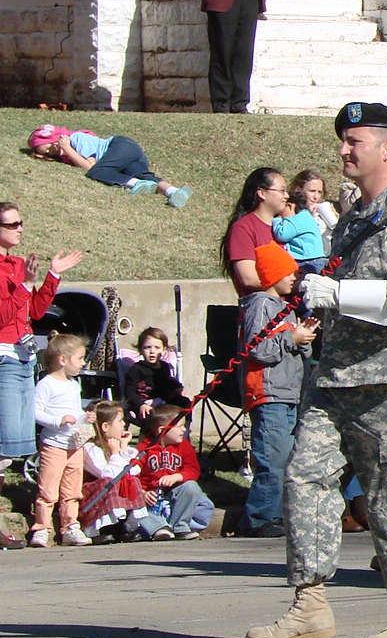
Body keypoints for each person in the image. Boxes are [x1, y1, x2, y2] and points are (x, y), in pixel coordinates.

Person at [245, 102, 387, 638]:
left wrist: (335, 294)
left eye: (353, 140)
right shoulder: (355, 219)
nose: (342, 150)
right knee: (304, 480)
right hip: (334, 377)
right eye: (341, 140)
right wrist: (315, 299)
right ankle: (309, 604)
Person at [237, 242, 317, 539]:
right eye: (291, 273)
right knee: (272, 458)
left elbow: (291, 346)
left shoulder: (285, 308)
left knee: (285, 457)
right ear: (273, 275)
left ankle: (274, 513)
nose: (296, 279)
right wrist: (291, 339)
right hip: (269, 393)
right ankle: (259, 517)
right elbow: (257, 348)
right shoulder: (261, 305)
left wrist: (302, 338)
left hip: (288, 392)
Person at [1, 202, 80, 489]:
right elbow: (1, 317)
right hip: (4, 356)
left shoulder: (18, 265)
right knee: (5, 442)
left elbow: (34, 311)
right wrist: (25, 286)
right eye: (11, 224)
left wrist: (52, 276)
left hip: (24, 357)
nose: (19, 228)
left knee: (12, 445)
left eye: (20, 222)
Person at [26, 126, 192, 208]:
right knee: (144, 174)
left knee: (96, 172)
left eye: (50, 146)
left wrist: (68, 149)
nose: (52, 152)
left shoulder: (76, 139)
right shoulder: (67, 152)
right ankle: (174, 192)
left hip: (121, 146)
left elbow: (89, 166)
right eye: (48, 153)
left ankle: (135, 184)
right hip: (125, 154)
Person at [30, 333, 92, 548]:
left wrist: (86, 417)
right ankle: (42, 527)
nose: (84, 363)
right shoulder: (46, 384)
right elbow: (35, 411)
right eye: (80, 358)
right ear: (62, 360)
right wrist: (58, 420)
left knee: (72, 488)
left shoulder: (74, 385)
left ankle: (70, 526)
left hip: (74, 445)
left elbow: (76, 412)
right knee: (48, 489)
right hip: (54, 445)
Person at [80, 401, 171, 542]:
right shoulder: (91, 449)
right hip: (97, 497)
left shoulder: (120, 447)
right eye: (120, 421)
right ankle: (103, 529)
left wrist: (123, 448)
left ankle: (124, 526)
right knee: (110, 482)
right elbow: (108, 475)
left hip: (116, 493)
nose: (124, 425)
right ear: (105, 427)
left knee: (131, 480)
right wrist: (115, 454)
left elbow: (134, 470)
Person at [136, 405, 214, 540]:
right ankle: (159, 527)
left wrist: (177, 476)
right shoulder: (143, 449)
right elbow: (131, 476)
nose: (184, 430)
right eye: (180, 426)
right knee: (135, 512)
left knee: (199, 497)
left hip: (177, 499)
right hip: (152, 502)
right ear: (162, 430)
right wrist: (142, 493)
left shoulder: (184, 446)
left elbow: (193, 470)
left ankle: (179, 527)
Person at [222, 167, 287, 296]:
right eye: (281, 191)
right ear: (262, 193)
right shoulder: (243, 228)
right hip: (264, 309)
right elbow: (248, 278)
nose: (287, 196)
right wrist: (285, 285)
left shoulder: (285, 227)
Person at [122, 327, 190, 429]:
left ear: (163, 350)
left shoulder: (164, 367)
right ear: (140, 349)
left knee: (185, 402)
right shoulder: (136, 369)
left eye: (157, 348)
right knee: (150, 414)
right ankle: (148, 438)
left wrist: (177, 387)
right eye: (147, 347)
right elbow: (129, 391)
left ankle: (185, 429)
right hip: (145, 404)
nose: (152, 351)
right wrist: (140, 405)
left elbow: (168, 380)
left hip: (163, 403)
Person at [272, 191, 328, 271]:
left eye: (281, 211)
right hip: (312, 259)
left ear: (289, 206)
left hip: (308, 261)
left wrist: (276, 219)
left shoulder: (298, 218)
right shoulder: (305, 216)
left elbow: (281, 235)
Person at [290, 169, 339, 246]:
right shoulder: (291, 210)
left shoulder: (322, 211)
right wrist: (309, 216)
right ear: (298, 189)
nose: (316, 197)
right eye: (312, 191)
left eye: (319, 192)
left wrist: (339, 221)